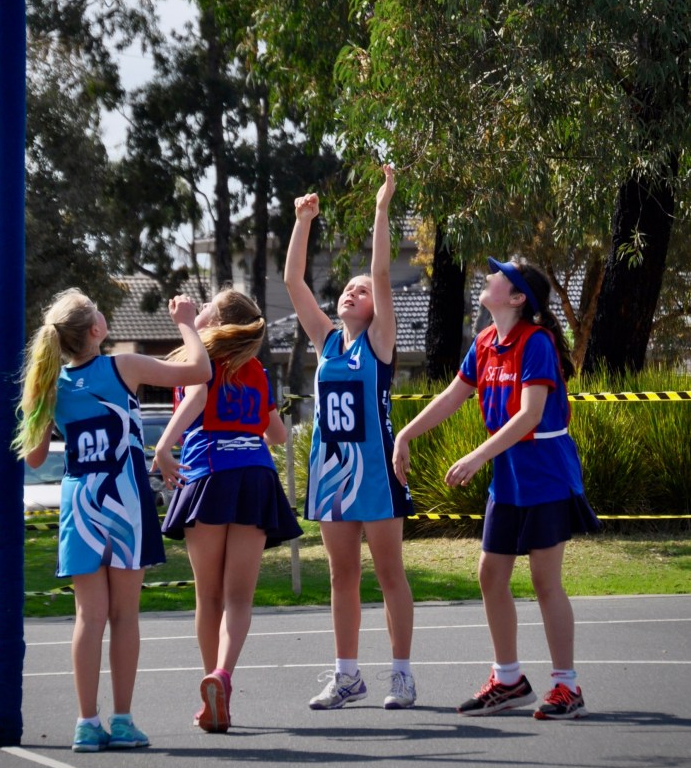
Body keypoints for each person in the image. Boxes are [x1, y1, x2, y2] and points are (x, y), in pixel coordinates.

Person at [393, 257, 601, 720]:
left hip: (545, 471)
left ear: (517, 297)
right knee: (491, 575)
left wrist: (476, 455)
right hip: (508, 474)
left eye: (500, 274)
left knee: (546, 581)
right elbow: (452, 396)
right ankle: (508, 679)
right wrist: (406, 435)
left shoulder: (537, 343)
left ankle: (568, 687)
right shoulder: (486, 341)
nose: (489, 277)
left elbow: (530, 415)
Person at [13, 288, 211, 753]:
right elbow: (201, 371)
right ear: (97, 330)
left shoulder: (52, 384)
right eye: (100, 311)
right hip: (124, 499)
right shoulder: (123, 366)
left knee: (89, 616)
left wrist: (35, 404)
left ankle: (87, 722)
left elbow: (37, 457)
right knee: (124, 616)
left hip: (80, 503)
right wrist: (186, 323)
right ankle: (122, 721)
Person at [284, 164, 417, 711]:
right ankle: (346, 676)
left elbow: (382, 275)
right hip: (331, 469)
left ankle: (402, 674)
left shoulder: (378, 343)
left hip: (375, 471)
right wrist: (303, 221)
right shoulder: (326, 343)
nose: (352, 292)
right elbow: (294, 282)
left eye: (358, 291)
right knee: (342, 576)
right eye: (346, 289)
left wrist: (383, 207)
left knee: (389, 573)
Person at [153, 289, 302, 734]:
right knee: (239, 598)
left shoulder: (198, 362)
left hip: (209, 473)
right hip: (255, 475)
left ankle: (209, 686)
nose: (197, 312)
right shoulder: (256, 370)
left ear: (217, 322)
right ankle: (222, 675)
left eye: (206, 309)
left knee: (209, 596)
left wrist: (163, 445)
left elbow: (197, 398)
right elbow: (277, 434)